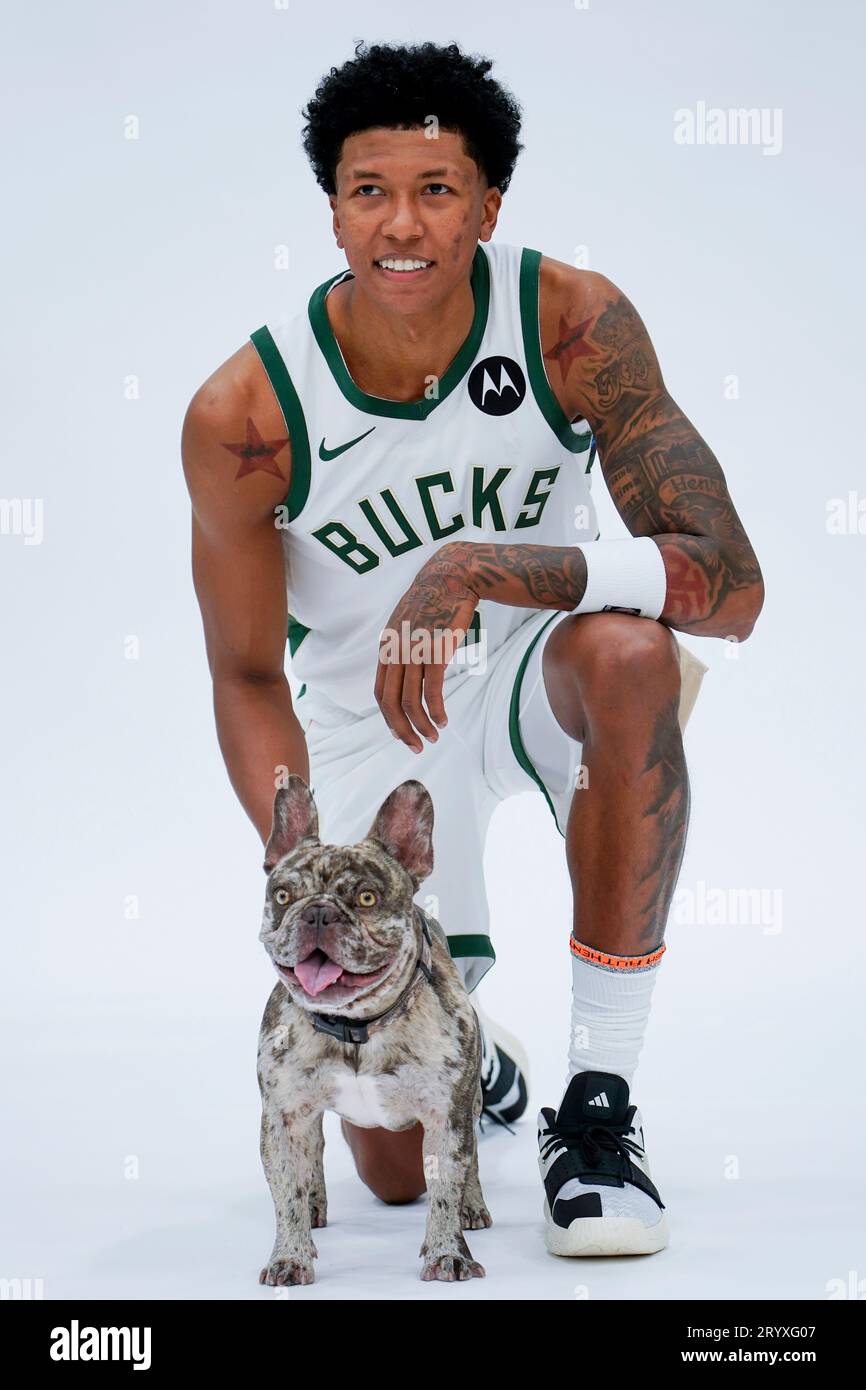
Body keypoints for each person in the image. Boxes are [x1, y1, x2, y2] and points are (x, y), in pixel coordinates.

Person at [181, 40, 764, 1259]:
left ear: (489, 203)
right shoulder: (246, 413)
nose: (401, 224)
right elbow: (242, 672)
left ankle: (595, 1109)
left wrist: (484, 568)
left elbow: (730, 588)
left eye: (436, 190)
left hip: (521, 677)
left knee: (630, 655)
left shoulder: (569, 323)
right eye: (367, 190)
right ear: (332, 209)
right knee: (395, 1175)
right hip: (363, 723)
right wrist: (300, 850)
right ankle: (483, 1062)